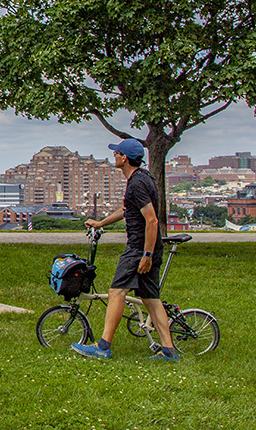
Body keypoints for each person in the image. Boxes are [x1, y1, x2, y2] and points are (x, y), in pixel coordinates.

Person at [72, 138, 179, 362]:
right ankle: (168, 351)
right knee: (151, 298)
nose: (114, 156)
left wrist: (146, 255)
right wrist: (101, 223)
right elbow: (127, 209)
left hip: (139, 249)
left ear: (125, 158)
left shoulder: (138, 183)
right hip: (147, 247)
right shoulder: (141, 179)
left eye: (117, 153)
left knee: (116, 292)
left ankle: (103, 347)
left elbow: (152, 221)